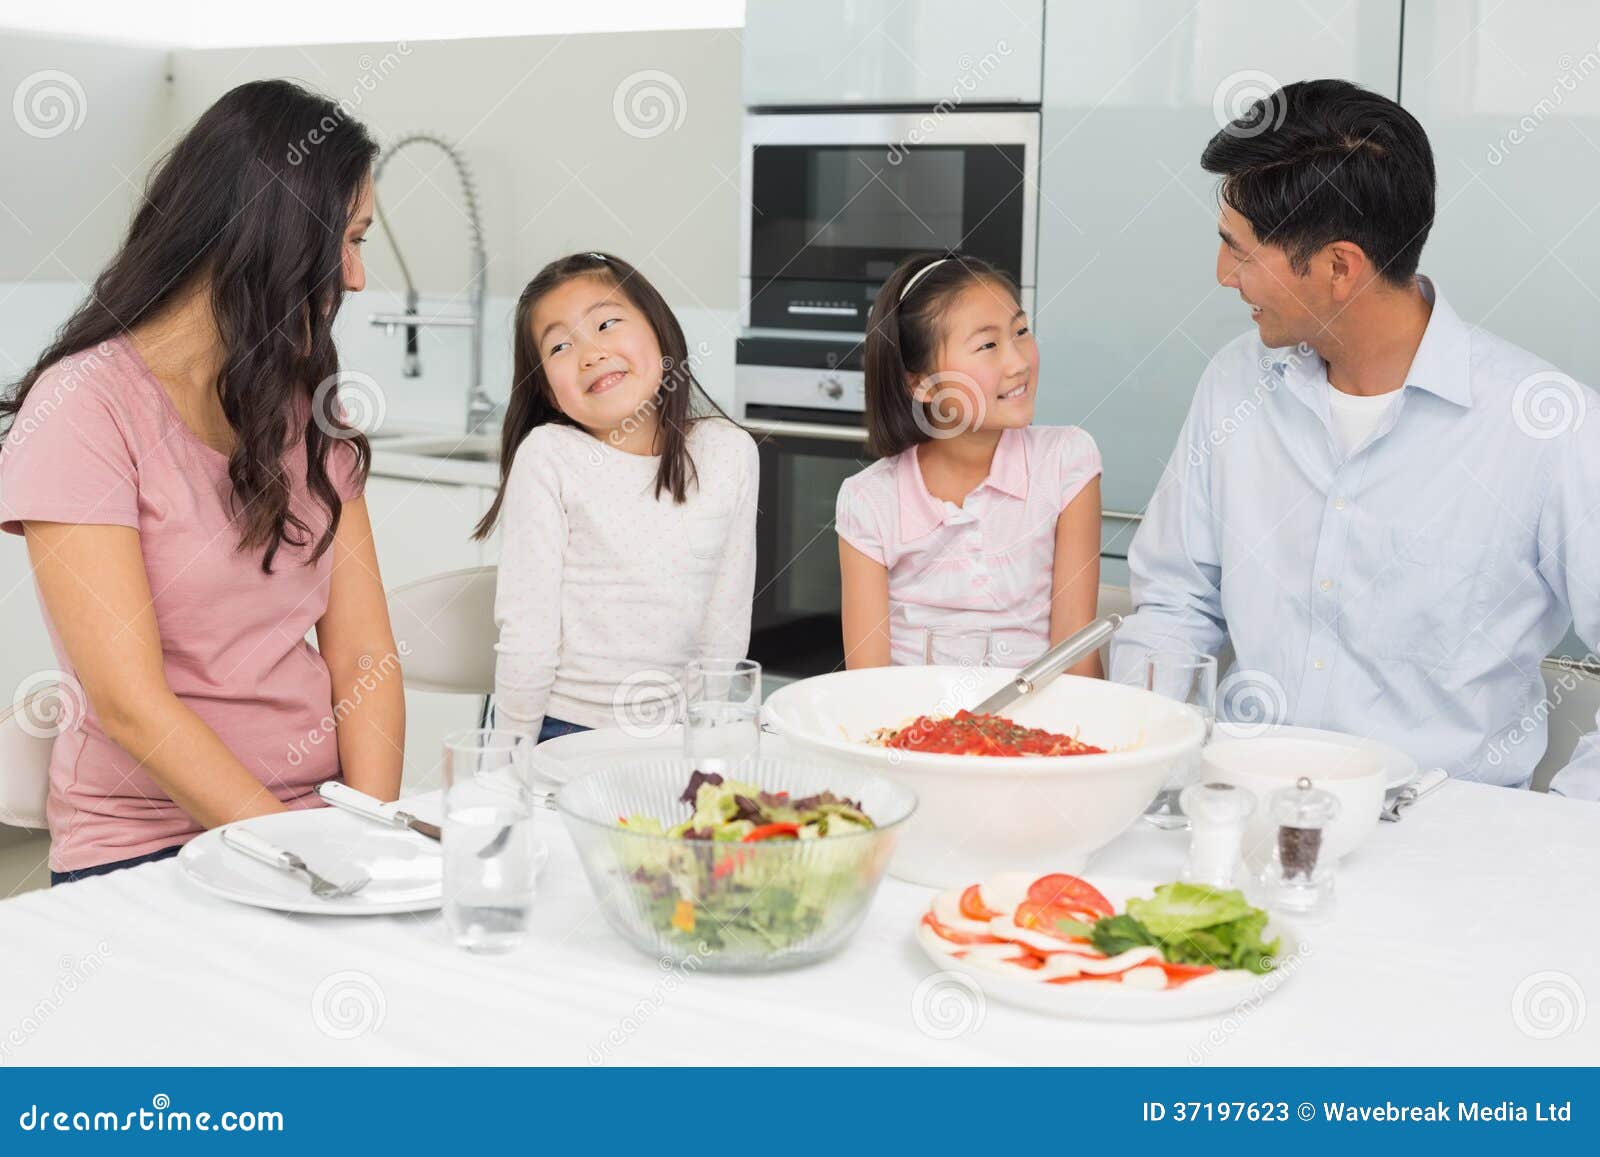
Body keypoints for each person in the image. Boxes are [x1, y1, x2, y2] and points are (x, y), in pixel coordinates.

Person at [1111, 78, 1600, 797]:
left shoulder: (1546, 429)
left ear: (1340, 266)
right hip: (1243, 817)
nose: (1223, 275)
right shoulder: (1235, 384)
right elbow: (1175, 602)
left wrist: (1559, 830)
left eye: (1241, 252)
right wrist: (1157, 767)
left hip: (1448, 856)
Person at [0, 80, 406, 882]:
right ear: (275, 233)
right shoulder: (87, 406)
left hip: (321, 824)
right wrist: (310, 862)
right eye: (348, 239)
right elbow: (128, 701)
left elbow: (364, 657)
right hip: (149, 849)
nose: (356, 277)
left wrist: (369, 832)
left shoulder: (305, 406)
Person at [476, 252, 758, 742]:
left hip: (678, 731)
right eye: (560, 345)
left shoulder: (728, 451)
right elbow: (528, 635)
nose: (591, 353)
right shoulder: (548, 456)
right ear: (545, 389)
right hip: (563, 731)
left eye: (606, 323)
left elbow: (726, 620)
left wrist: (707, 735)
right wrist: (507, 764)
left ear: (659, 330)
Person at [835, 253, 1102, 671]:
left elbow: (1076, 659)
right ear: (921, 383)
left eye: (1021, 331)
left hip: (1041, 725)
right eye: (988, 345)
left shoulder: (1067, 461)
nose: (1019, 362)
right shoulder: (869, 500)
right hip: (910, 727)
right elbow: (868, 684)